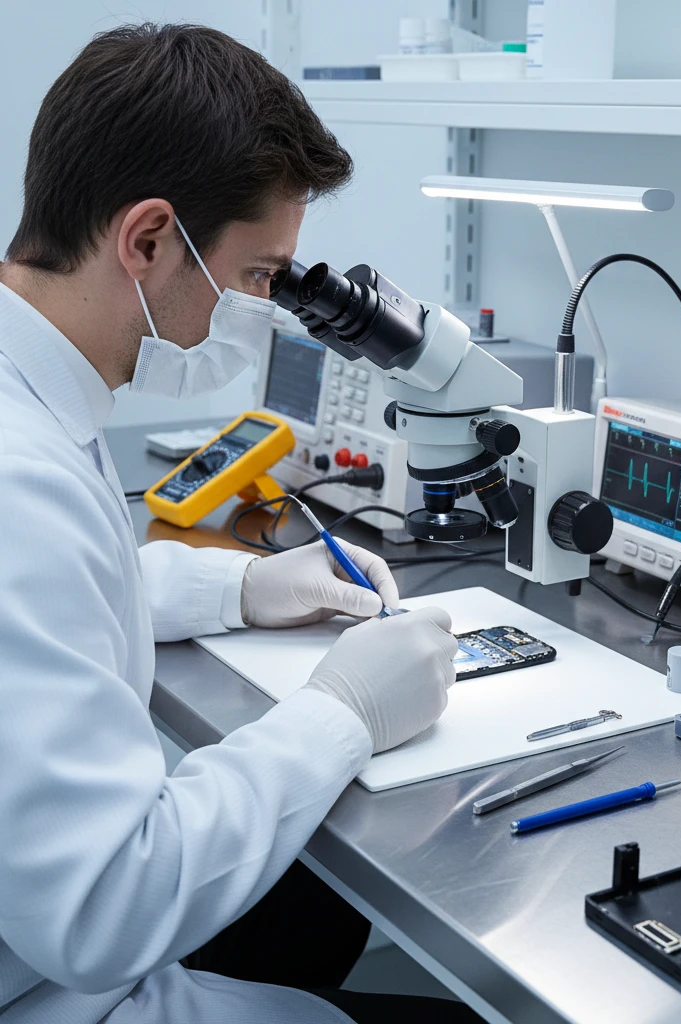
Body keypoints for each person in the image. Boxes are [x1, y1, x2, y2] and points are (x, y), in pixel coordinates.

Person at [0, 23, 482, 1024]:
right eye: (260, 276)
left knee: (315, 906)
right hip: (61, 983)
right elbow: (101, 910)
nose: (267, 306)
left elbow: (57, 609)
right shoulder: (20, 485)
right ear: (146, 240)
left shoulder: (38, 395)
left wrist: (239, 585)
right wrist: (341, 710)